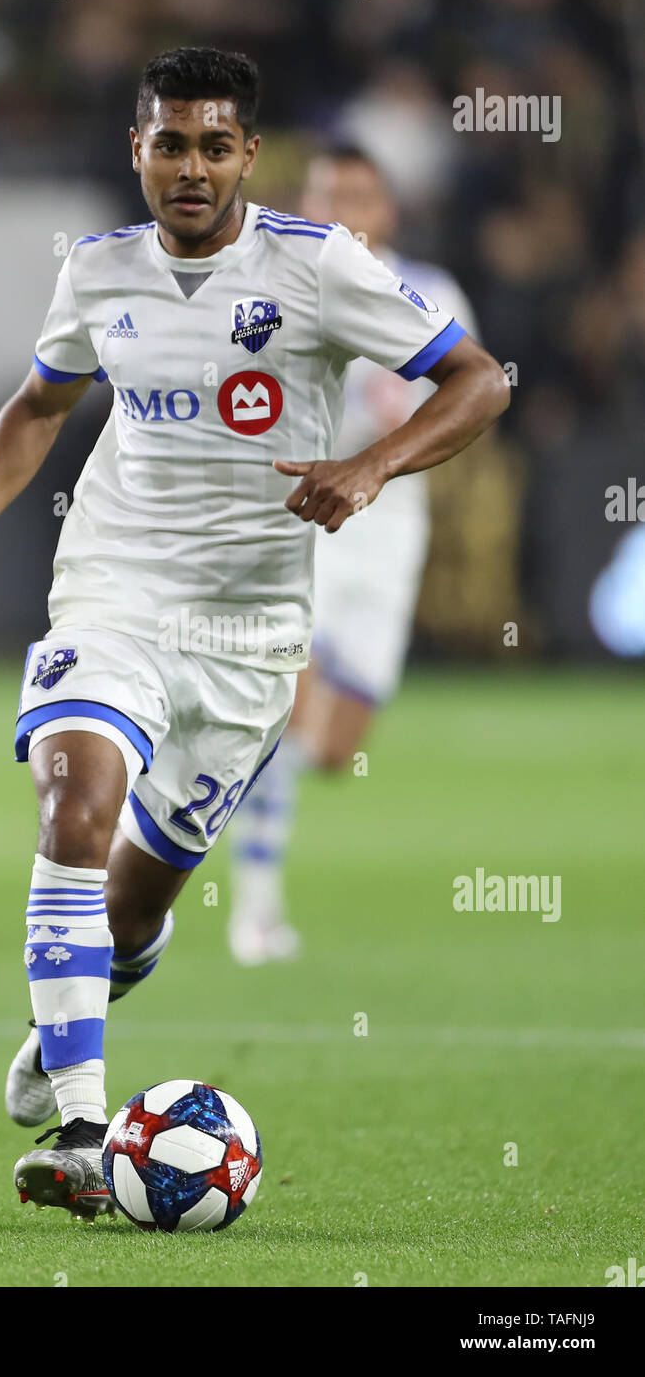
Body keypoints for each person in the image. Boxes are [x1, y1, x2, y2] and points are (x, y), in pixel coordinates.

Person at [0, 47, 509, 1218]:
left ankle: (71, 1007)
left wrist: (369, 466)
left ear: (249, 156)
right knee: (73, 805)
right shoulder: (98, 273)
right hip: (112, 594)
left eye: (215, 146)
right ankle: (78, 1129)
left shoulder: (319, 270)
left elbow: (476, 381)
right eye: (170, 143)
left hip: (251, 639)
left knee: (135, 905)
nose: (191, 168)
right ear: (137, 150)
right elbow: (37, 405)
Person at [227, 146, 480, 966]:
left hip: (390, 521)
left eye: (359, 197)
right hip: (300, 513)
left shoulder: (432, 294)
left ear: (387, 211)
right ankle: (256, 909)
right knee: (287, 705)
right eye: (327, 196)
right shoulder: (278, 287)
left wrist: (387, 455)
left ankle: (220, 766)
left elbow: (471, 397)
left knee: (333, 751)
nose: (344, 211)